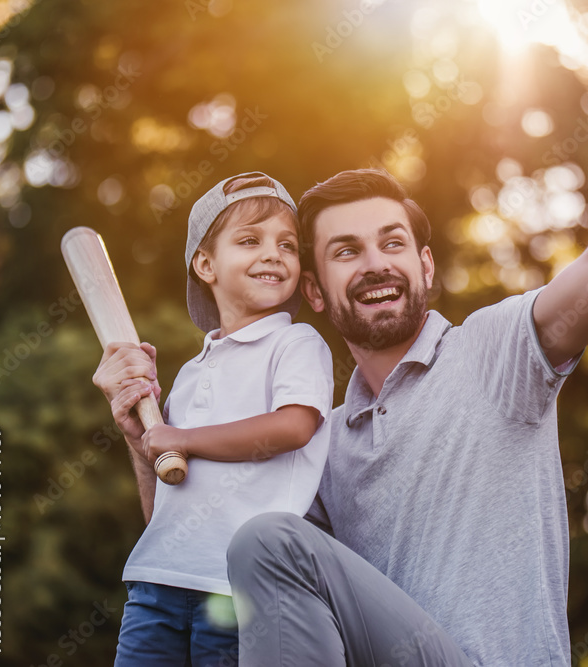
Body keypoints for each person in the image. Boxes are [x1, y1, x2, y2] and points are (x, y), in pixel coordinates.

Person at [95, 41, 588, 666]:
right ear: (315, 292)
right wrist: (141, 438)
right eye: (347, 251)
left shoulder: (494, 355)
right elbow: (201, 542)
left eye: (392, 242)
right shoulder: (325, 443)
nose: (376, 262)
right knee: (258, 546)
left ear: (425, 265)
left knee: (268, 541)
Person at [107, 172, 334, 667]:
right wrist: (140, 437)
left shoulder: (296, 344)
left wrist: (182, 437)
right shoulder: (190, 373)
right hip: (156, 582)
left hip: (237, 591)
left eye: (288, 245)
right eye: (250, 240)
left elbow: (293, 427)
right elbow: (164, 506)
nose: (273, 254)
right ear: (205, 264)